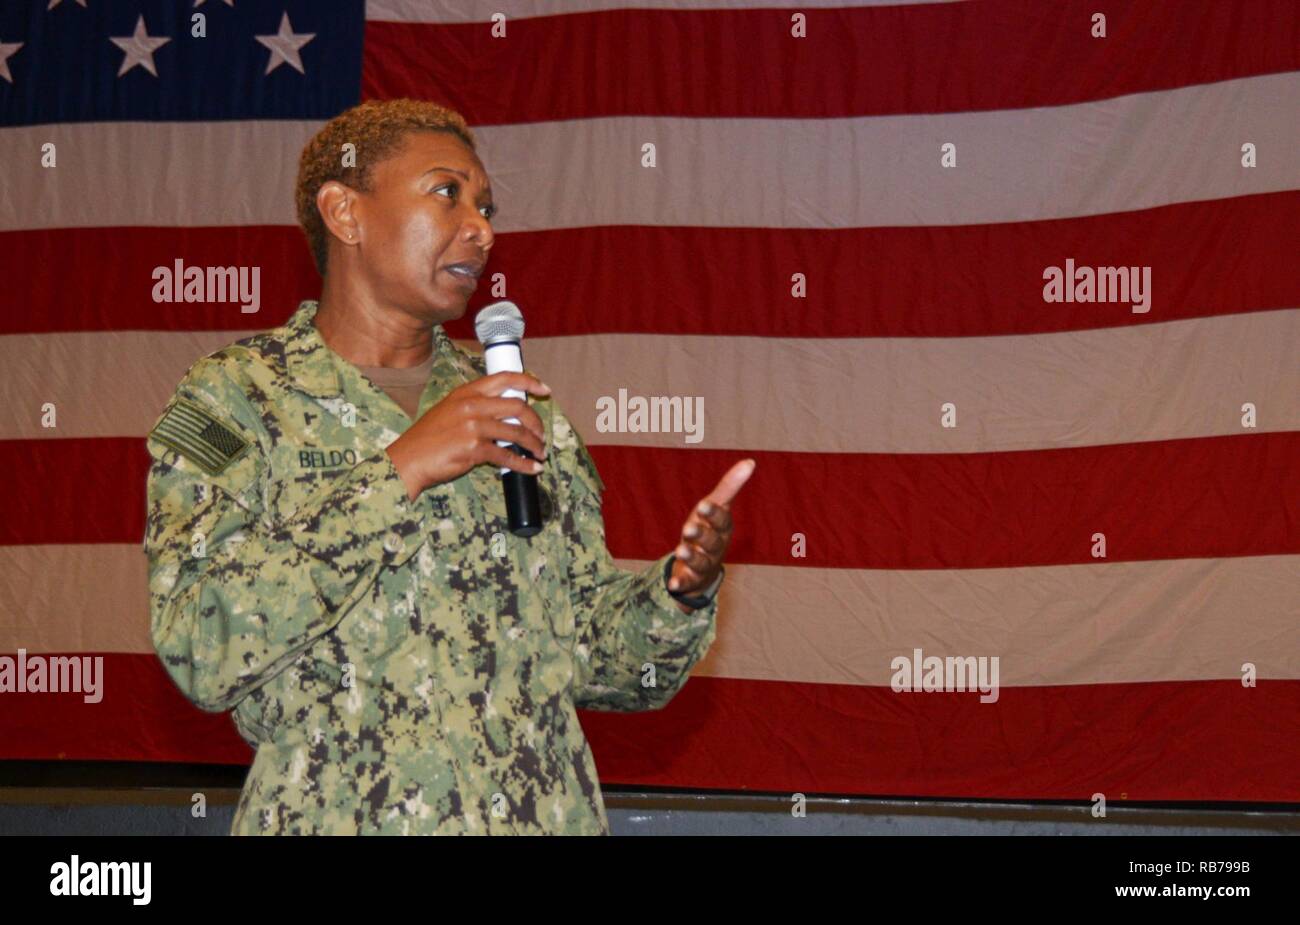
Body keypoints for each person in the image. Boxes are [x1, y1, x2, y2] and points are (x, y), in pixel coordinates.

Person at [143, 98, 756, 834]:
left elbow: (589, 656)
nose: (482, 228)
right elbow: (202, 646)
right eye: (447, 193)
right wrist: (399, 470)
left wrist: (677, 596)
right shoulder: (238, 398)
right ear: (345, 212)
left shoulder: (518, 406)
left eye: (487, 205)